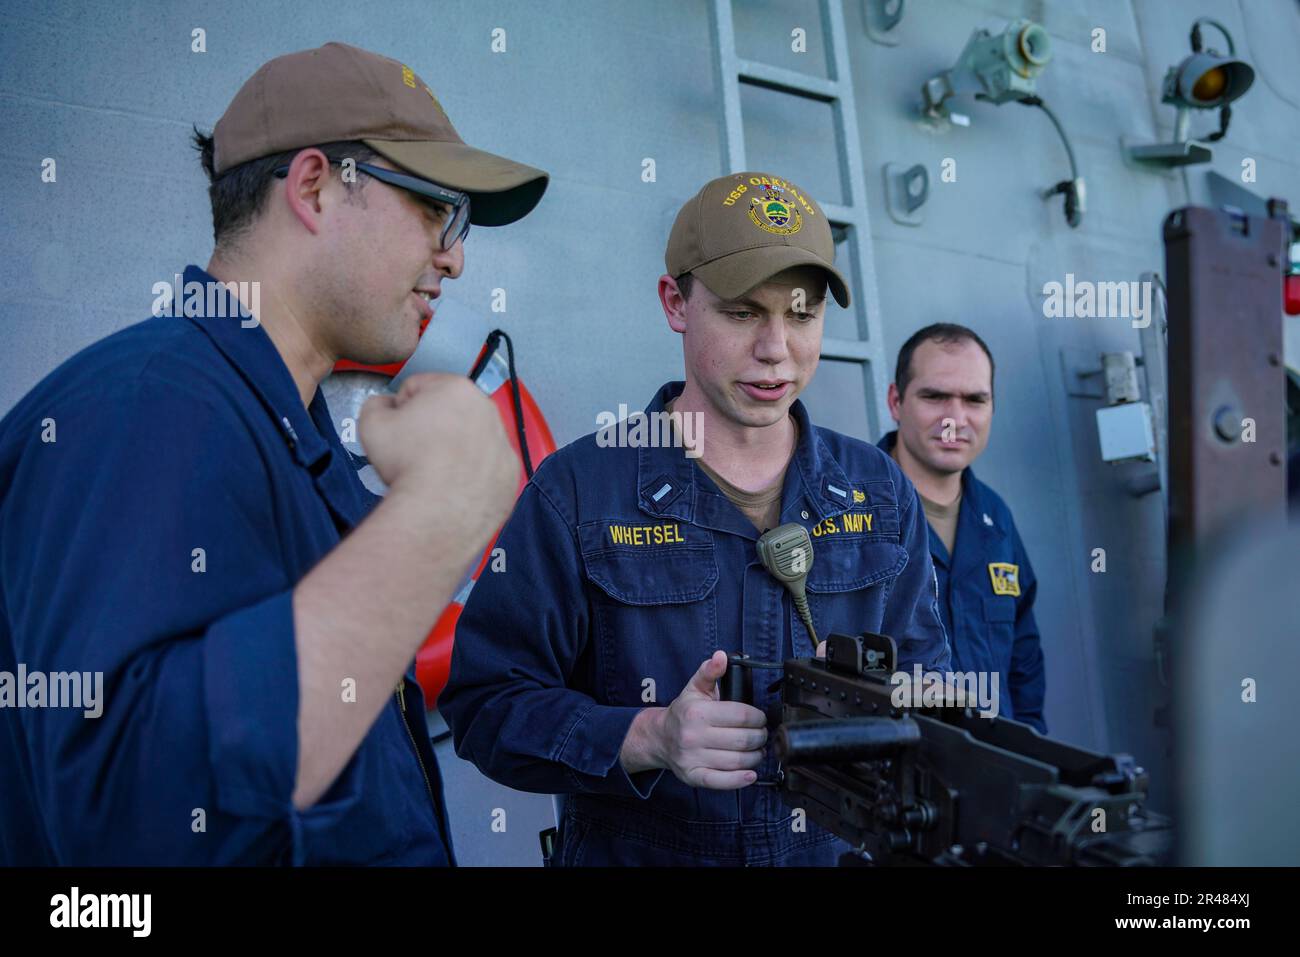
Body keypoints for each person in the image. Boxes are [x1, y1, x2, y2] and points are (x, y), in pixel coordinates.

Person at [0, 41, 548, 864]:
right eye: (439, 209)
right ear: (316, 188)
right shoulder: (145, 405)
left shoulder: (282, 428)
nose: (456, 257)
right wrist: (435, 518)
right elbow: (129, 829)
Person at [441, 171, 950, 866]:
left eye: (801, 315)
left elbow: (930, 694)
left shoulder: (878, 492)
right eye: (743, 312)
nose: (776, 348)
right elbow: (486, 703)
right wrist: (649, 735)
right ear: (675, 303)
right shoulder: (580, 491)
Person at [878, 324, 1047, 733]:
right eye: (935, 396)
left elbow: (1024, 662)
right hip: (897, 779)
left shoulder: (996, 519)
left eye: (975, 399)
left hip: (996, 770)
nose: (956, 419)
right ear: (896, 401)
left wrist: (1029, 749)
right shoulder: (848, 513)